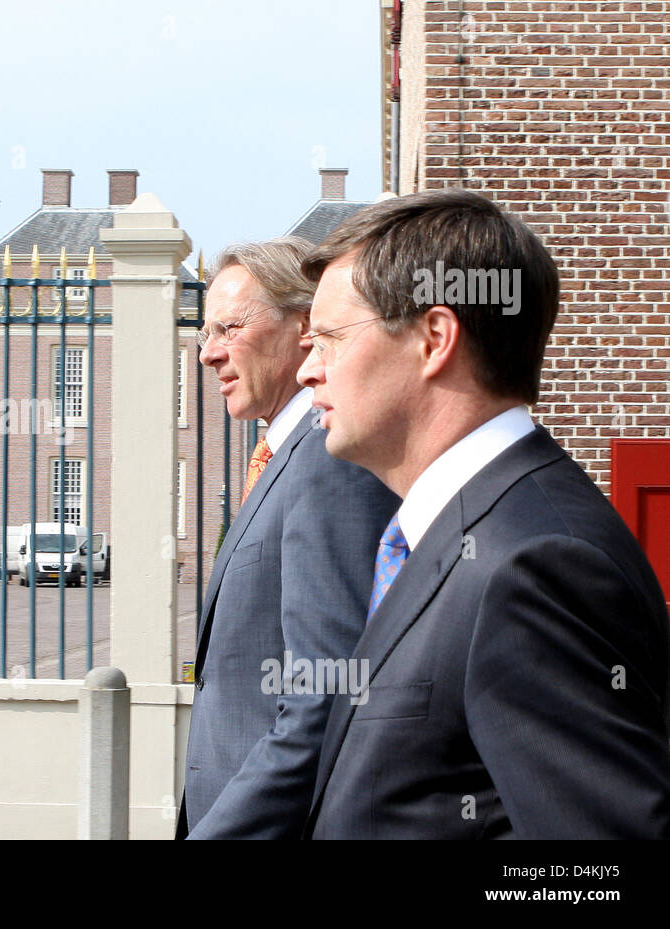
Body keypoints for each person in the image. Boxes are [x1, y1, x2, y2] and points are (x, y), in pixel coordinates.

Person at [297, 187, 670, 838]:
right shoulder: (462, 532)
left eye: (328, 338)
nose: (308, 370)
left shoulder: (533, 565)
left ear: (434, 338)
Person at [178, 238, 398, 839]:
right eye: (205, 335)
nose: (208, 354)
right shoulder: (283, 454)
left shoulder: (328, 460)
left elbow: (324, 695)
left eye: (228, 328)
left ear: (305, 327)